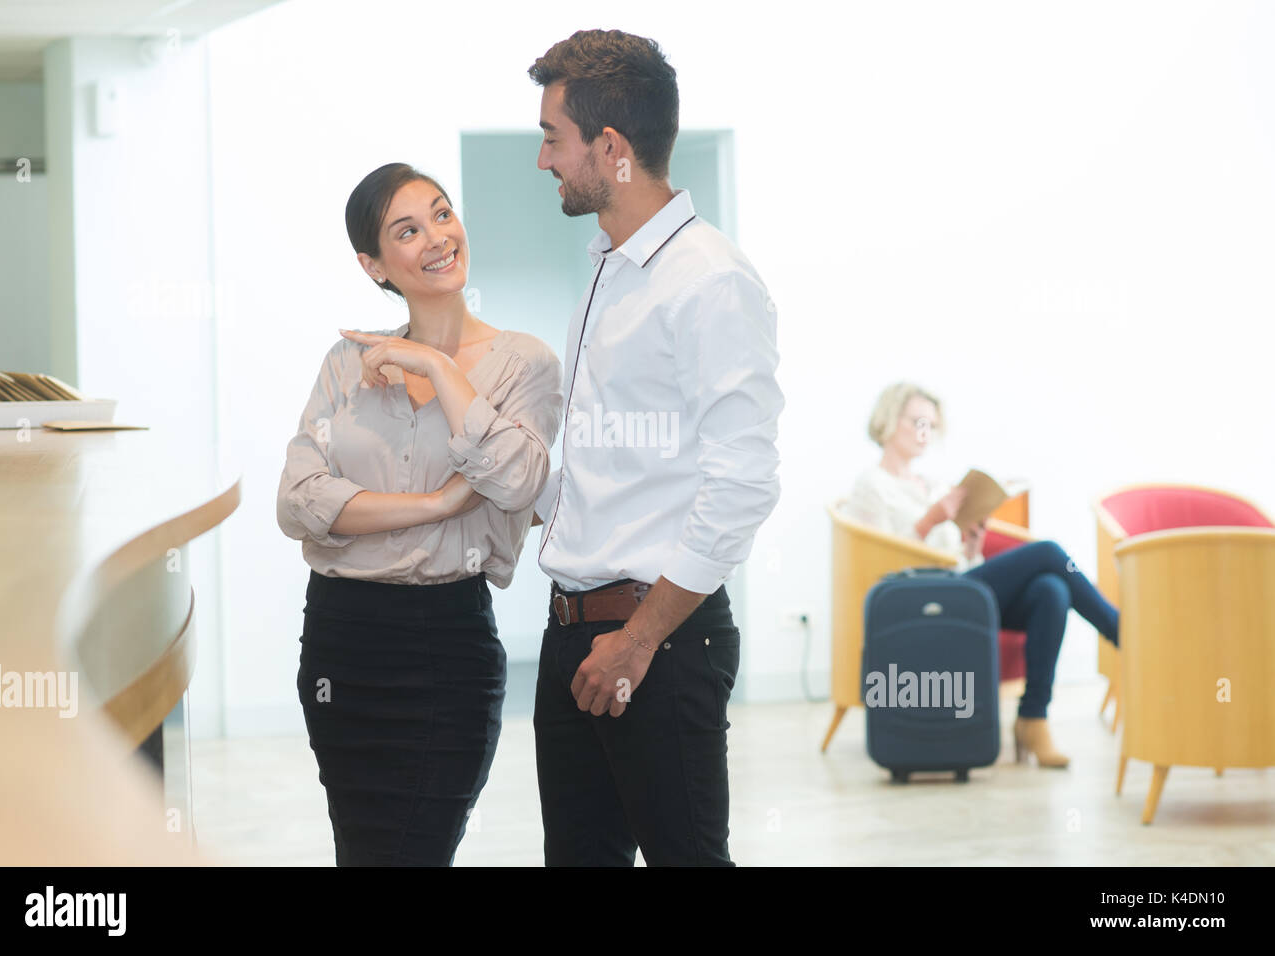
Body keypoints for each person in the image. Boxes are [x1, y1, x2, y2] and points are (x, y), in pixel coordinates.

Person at [526, 29, 784, 866]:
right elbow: (611, 461)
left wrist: (636, 640)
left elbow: (742, 482)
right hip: (572, 628)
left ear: (611, 147)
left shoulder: (710, 279)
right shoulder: (610, 260)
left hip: (658, 641)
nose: (542, 160)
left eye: (552, 138)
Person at [276, 163, 562, 865]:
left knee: (416, 849)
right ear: (374, 265)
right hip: (343, 640)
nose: (438, 237)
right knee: (362, 849)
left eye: (442, 213)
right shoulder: (348, 363)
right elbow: (297, 502)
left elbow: (521, 480)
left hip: (447, 645)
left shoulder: (524, 363)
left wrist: (437, 368)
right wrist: (437, 503)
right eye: (408, 230)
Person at [842, 382, 1119, 768]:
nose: (925, 433)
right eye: (917, 422)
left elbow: (956, 562)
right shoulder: (872, 485)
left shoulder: (933, 486)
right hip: (917, 597)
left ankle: (1033, 718)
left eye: (931, 425)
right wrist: (929, 520)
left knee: (1050, 589)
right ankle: (1118, 629)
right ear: (889, 421)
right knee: (1050, 552)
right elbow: (880, 563)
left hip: (959, 588)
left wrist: (971, 548)